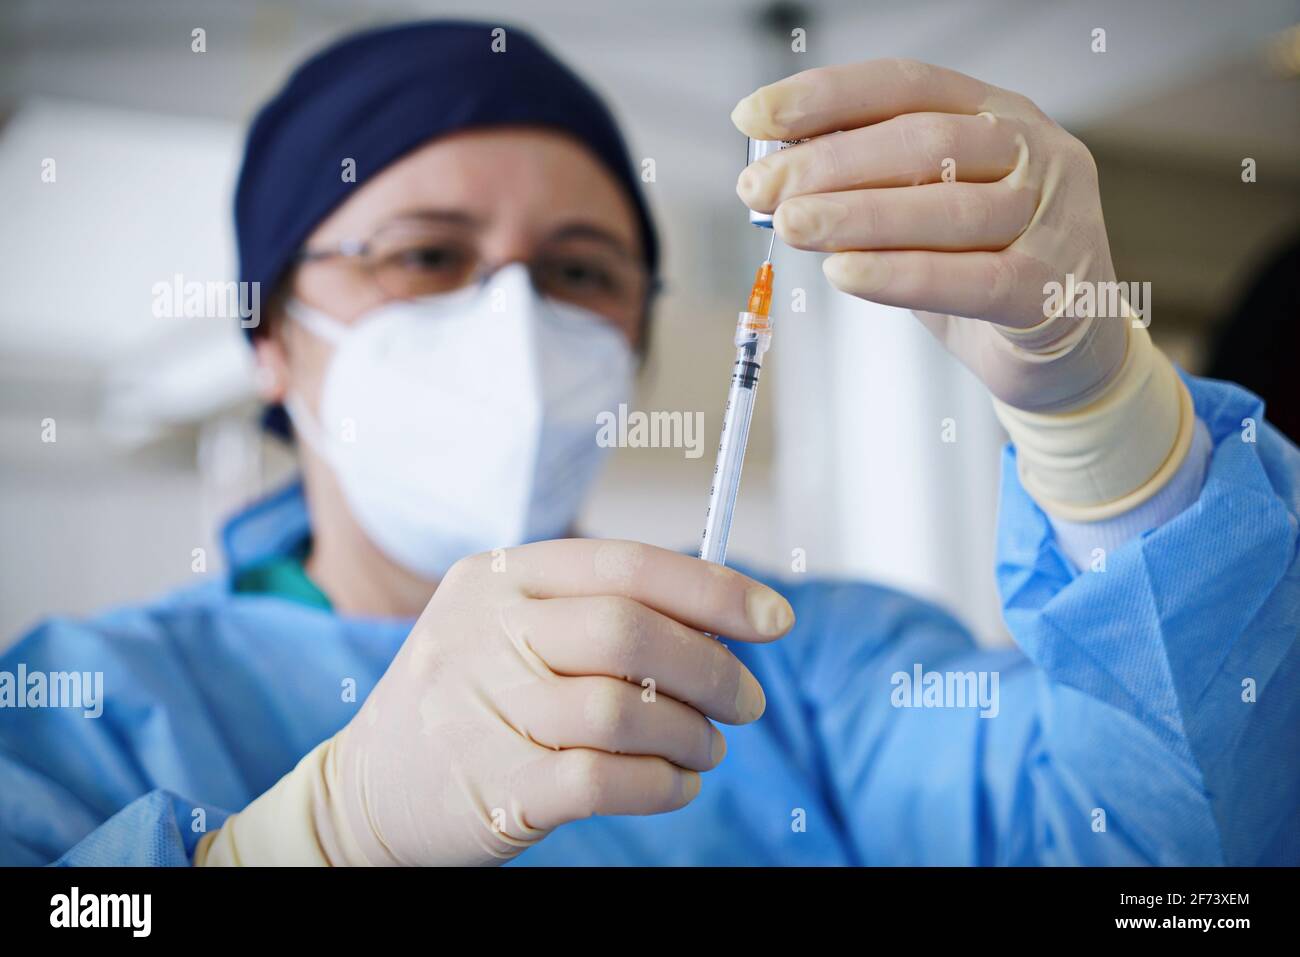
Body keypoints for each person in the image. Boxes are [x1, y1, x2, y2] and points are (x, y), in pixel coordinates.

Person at [1, 20, 1295, 867]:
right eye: (427, 256)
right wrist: (303, 840)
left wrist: (1100, 422)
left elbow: (1181, 858)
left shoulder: (803, 665)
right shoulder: (93, 706)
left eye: (577, 268)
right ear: (269, 337)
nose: (515, 319)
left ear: (628, 337)